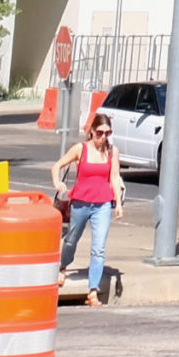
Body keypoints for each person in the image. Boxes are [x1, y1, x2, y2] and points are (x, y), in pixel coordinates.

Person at [53, 109, 120, 306]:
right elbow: (56, 166)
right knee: (71, 240)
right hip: (81, 202)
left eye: (107, 133)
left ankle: (93, 291)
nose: (103, 137)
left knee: (98, 249)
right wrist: (58, 183)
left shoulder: (112, 151)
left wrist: (118, 203)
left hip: (103, 204)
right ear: (91, 131)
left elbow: (114, 177)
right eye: (100, 133)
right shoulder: (80, 149)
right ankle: (63, 266)